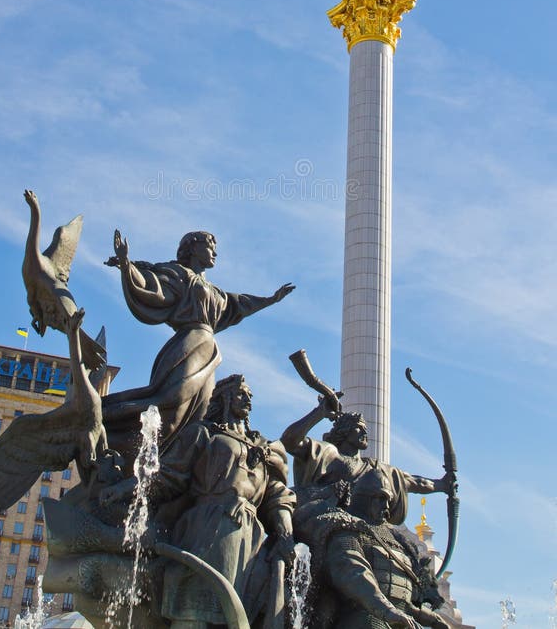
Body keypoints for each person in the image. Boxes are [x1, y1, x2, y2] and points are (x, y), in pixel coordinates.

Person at [103, 230, 294, 466]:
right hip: (188, 343)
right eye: (210, 246)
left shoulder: (214, 291)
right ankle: (109, 420)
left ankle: (177, 470)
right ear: (193, 248)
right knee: (172, 403)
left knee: (200, 417)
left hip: (208, 350)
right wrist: (126, 265)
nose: (215, 252)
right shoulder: (178, 274)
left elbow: (240, 304)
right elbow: (153, 289)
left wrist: (271, 299)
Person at [149, 374, 296, 628]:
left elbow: (277, 495)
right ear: (224, 398)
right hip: (208, 528)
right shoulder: (204, 434)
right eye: (241, 394)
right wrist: (129, 489)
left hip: (249, 537)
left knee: (239, 616)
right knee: (194, 610)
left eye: (250, 395)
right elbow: (170, 476)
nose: (248, 399)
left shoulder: (263, 448)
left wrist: (285, 533)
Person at [305, 467, 450, 629]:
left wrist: (426, 617)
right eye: (381, 498)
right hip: (362, 621)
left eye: (388, 500)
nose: (386, 505)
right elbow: (354, 575)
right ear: (363, 498)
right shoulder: (346, 528)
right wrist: (388, 611)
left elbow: (398, 599)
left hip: (394, 622)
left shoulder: (396, 539)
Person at [281, 398, 449, 526]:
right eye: (359, 427)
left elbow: (413, 482)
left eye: (365, 429)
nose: (365, 432)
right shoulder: (329, 454)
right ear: (344, 430)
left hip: (368, 527)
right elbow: (289, 441)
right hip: (330, 524)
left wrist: (442, 485)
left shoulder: (377, 469)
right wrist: (319, 412)